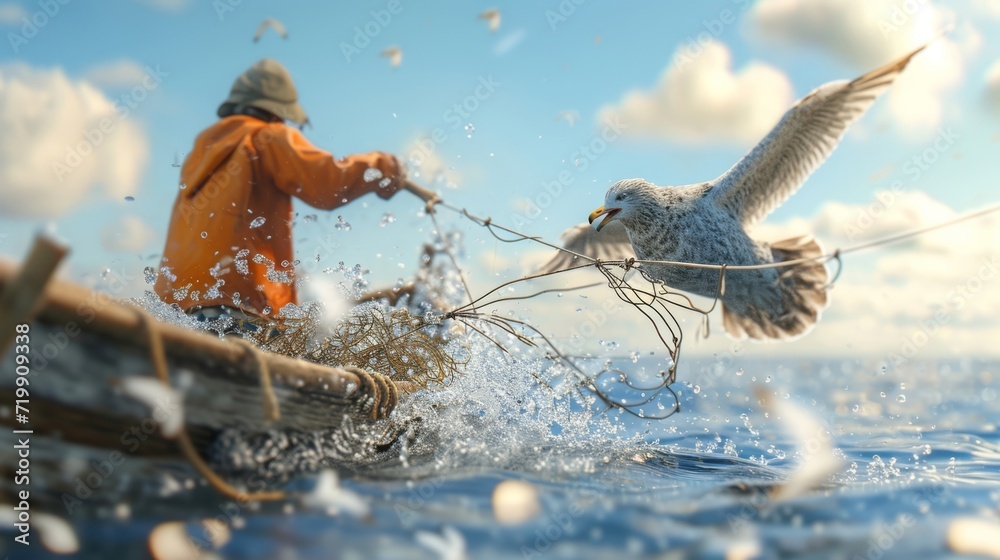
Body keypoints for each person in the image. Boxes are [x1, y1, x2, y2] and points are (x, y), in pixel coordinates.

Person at [154, 58, 437, 333]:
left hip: (177, 313)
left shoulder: (199, 153)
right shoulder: (268, 136)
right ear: (278, 112)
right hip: (242, 310)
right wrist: (386, 168)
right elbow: (328, 184)